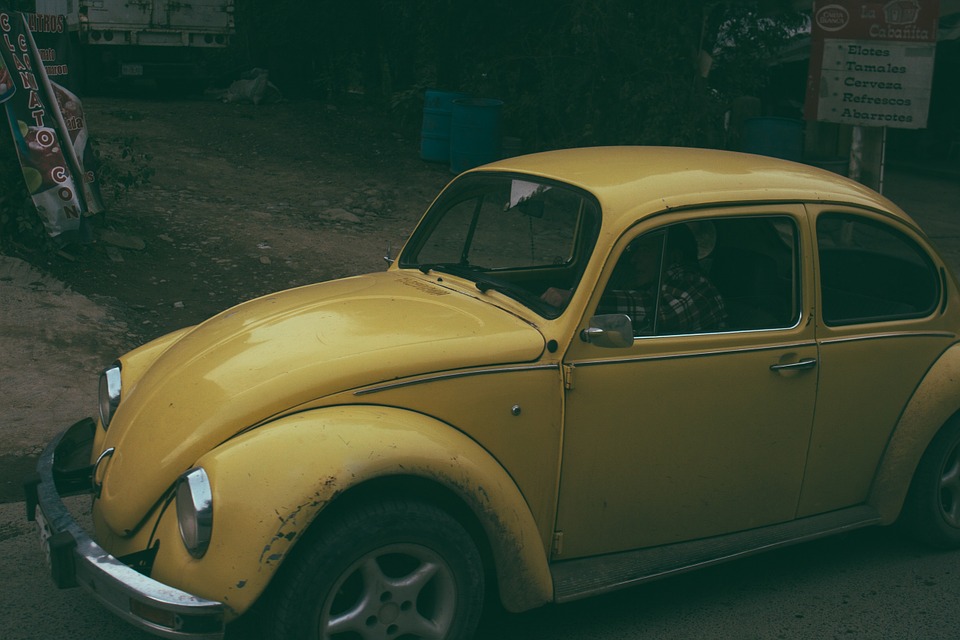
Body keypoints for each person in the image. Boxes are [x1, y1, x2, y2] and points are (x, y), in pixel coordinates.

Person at [542, 224, 726, 335]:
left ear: (674, 256)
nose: (634, 258)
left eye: (644, 249)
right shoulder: (658, 282)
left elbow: (658, 313)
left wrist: (580, 299)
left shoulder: (696, 285)